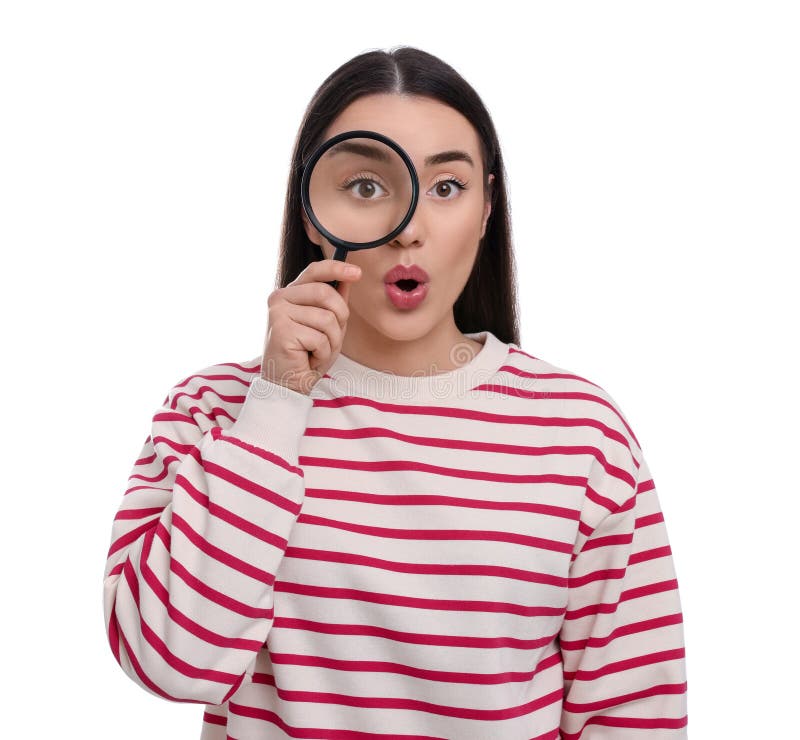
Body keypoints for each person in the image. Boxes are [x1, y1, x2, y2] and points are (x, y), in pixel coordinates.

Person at [102, 46, 689, 739]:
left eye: (446, 188)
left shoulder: (583, 435)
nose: (410, 228)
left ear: (487, 208)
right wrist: (277, 402)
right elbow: (168, 661)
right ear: (312, 207)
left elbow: (632, 718)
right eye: (366, 186)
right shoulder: (214, 410)